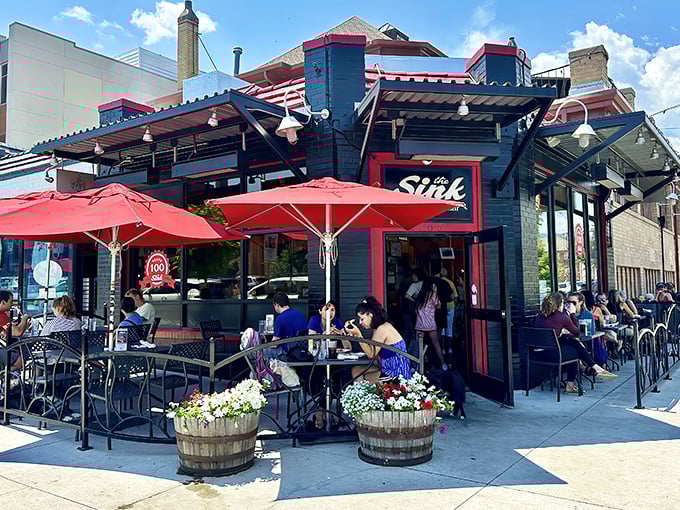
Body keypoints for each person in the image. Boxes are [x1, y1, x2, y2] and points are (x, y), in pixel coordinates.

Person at [535, 292, 615, 393]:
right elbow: (577, 332)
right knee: (575, 350)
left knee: (572, 343)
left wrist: (561, 332)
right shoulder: (561, 317)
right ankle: (592, 370)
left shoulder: (539, 316)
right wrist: (572, 314)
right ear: (560, 304)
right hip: (553, 355)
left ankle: (591, 370)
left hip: (538, 354)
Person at [343, 299, 411, 383]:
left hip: (396, 373)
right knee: (356, 370)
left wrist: (358, 336)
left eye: (362, 319)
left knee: (361, 377)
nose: (360, 323)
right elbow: (373, 354)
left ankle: (363, 393)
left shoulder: (382, 329)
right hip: (385, 368)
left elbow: (371, 354)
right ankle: (361, 393)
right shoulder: (378, 328)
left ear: (370, 315)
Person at [415, 277, 447, 370]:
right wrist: (435, 292)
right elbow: (439, 306)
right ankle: (443, 364)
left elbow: (415, 310)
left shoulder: (420, 295)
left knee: (418, 346)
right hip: (430, 324)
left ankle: (415, 366)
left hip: (420, 324)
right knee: (436, 344)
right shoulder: (433, 295)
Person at [0, 291, 30, 370]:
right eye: (11, 301)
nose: (12, 304)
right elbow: (18, 332)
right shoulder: (1, 316)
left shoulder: (3, 315)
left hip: (3, 346)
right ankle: (4, 374)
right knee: (20, 361)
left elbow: (10, 331)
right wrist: (25, 317)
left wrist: (24, 326)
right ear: (3, 302)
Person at [438, 268, 458, 355]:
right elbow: (455, 296)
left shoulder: (437, 282)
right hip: (450, 306)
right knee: (449, 327)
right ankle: (449, 348)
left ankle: (442, 348)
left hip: (441, 307)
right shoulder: (451, 283)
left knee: (442, 327)